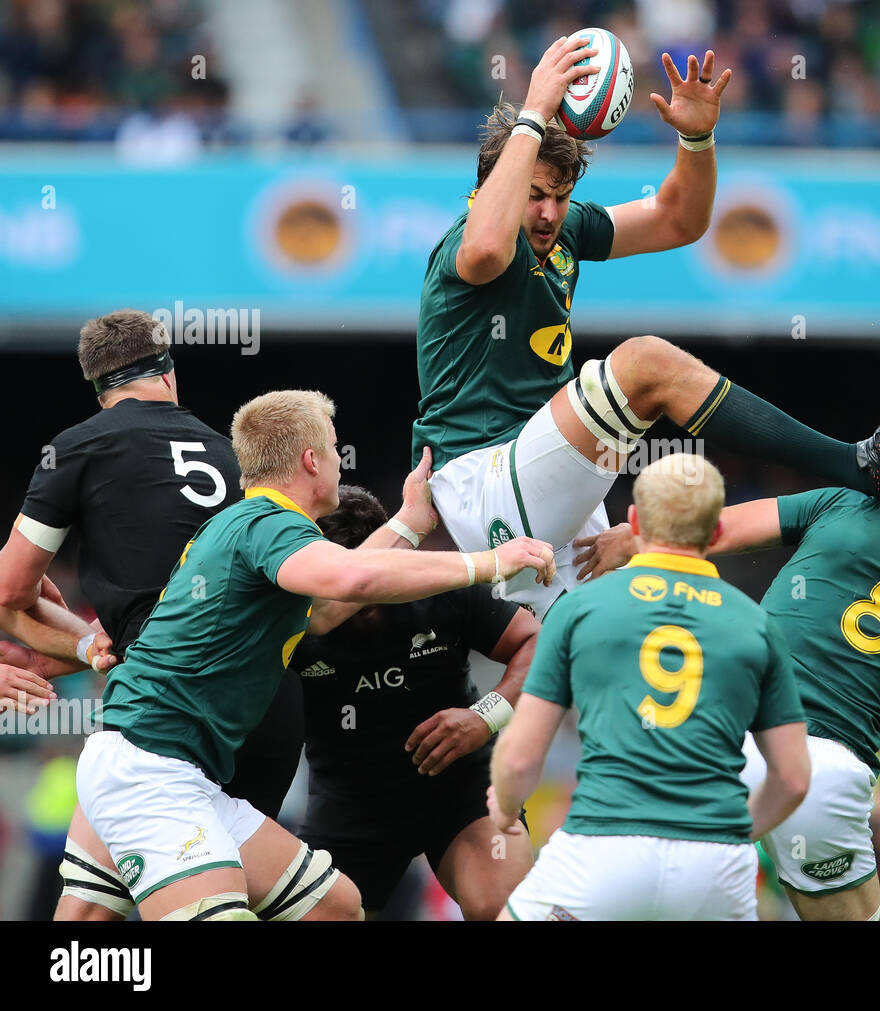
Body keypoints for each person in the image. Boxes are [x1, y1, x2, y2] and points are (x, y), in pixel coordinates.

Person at [414, 35, 880, 618]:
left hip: (546, 483)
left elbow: (678, 219)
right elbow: (486, 246)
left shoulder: (565, 232)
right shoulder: (471, 239)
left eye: (560, 197)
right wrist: (532, 113)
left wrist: (696, 138)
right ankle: (858, 464)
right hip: (480, 484)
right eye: (533, 196)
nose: (548, 213)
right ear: (489, 191)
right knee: (645, 364)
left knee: (594, 671)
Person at [74, 389, 556, 921]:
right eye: (331, 446)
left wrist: (409, 525)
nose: (336, 456)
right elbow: (352, 578)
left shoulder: (247, 525)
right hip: (152, 768)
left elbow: (327, 607)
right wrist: (491, 561)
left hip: (184, 772)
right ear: (311, 460)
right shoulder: (269, 523)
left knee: (336, 906)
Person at [575, 470, 880, 920]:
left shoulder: (848, 505)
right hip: (824, 775)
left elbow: (713, 531)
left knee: (618, 896)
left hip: (718, 727)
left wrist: (635, 541)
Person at [0, 309, 301, 920]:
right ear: (168, 372)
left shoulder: (77, 447)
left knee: (205, 908)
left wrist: (85, 648)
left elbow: (9, 591)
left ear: (98, 386)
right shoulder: (233, 457)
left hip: (164, 716)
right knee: (94, 908)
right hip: (266, 709)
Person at [488, 454, 810, 920]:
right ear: (717, 532)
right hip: (717, 869)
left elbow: (520, 758)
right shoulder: (757, 625)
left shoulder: (581, 610)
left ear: (634, 522)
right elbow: (794, 779)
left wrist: (504, 807)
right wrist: (732, 834)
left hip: (601, 852)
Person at [292, 485, 539, 919]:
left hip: (461, 789)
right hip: (350, 805)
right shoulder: (290, 618)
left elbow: (539, 643)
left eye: (371, 591)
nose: (359, 604)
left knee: (507, 911)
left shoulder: (439, 583)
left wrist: (485, 717)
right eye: (347, 591)